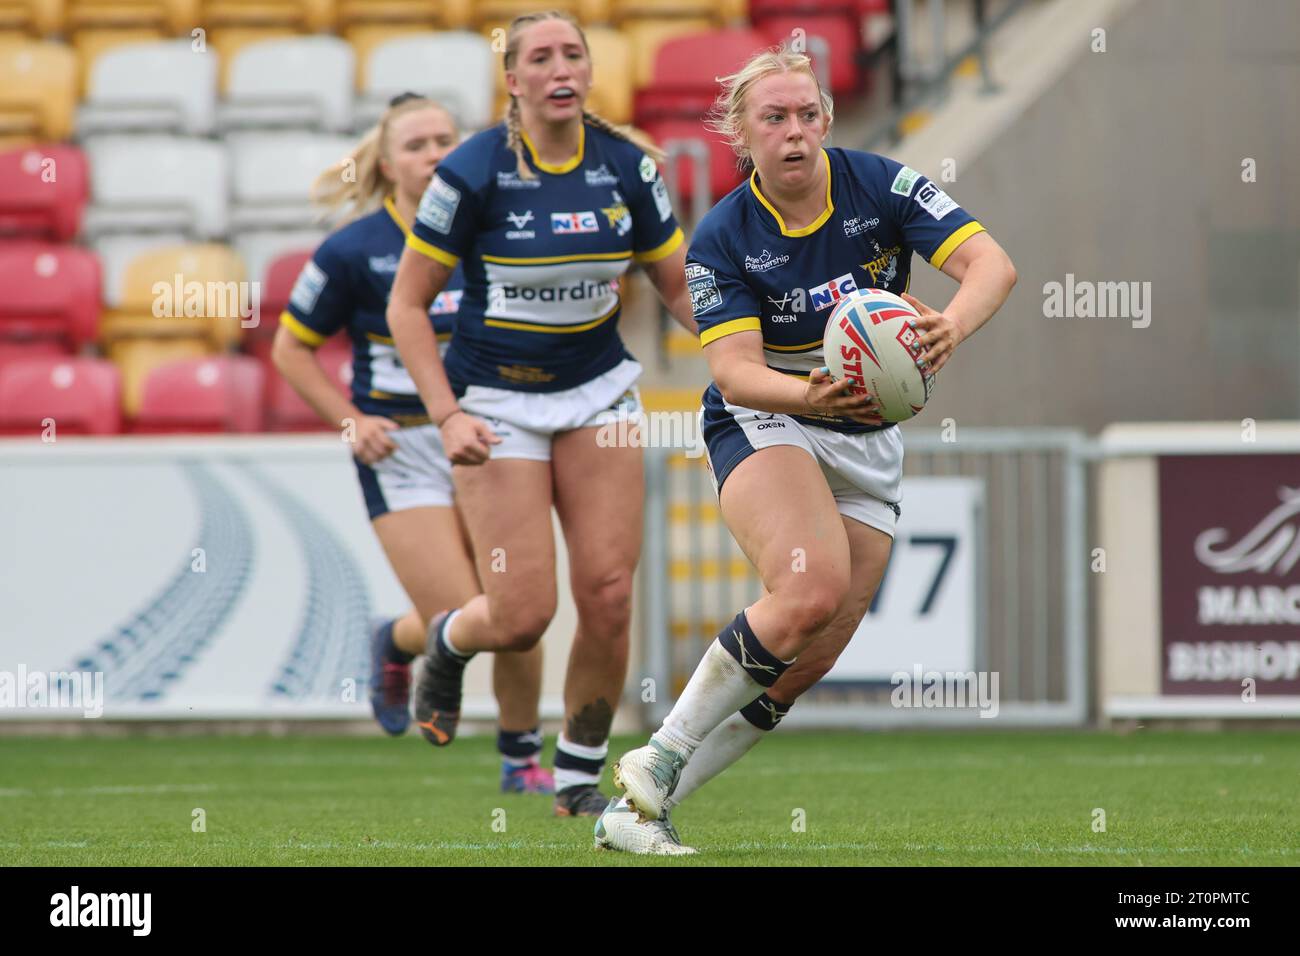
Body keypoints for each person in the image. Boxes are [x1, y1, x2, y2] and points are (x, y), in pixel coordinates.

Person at [603, 45, 1016, 852]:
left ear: (826, 120)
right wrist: (814, 396)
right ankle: (661, 751)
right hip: (770, 416)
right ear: (740, 135)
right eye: (773, 118)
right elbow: (734, 371)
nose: (794, 132)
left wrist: (950, 325)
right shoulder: (723, 236)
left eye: (806, 115)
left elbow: (991, 265)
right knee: (808, 587)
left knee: (803, 661)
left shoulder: (882, 185)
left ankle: (631, 813)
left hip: (867, 434)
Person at [388, 10, 696, 818]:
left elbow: (675, 285)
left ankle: (576, 780)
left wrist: (746, 352)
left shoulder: (630, 166)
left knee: (609, 594)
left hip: (599, 392)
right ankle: (449, 645)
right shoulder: (472, 170)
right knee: (524, 616)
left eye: (573, 54)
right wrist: (447, 415)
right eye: (541, 57)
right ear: (513, 81)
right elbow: (408, 307)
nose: (560, 68)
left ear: (589, 74)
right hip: (495, 400)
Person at [272, 93, 554, 795]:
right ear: (388, 163)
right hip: (404, 450)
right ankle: (397, 640)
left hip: (488, 438)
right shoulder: (351, 249)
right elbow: (290, 350)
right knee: (462, 617)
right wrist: (350, 421)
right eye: (416, 144)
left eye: (444, 141)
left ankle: (521, 764)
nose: (433, 154)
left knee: (515, 611)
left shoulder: (496, 230)